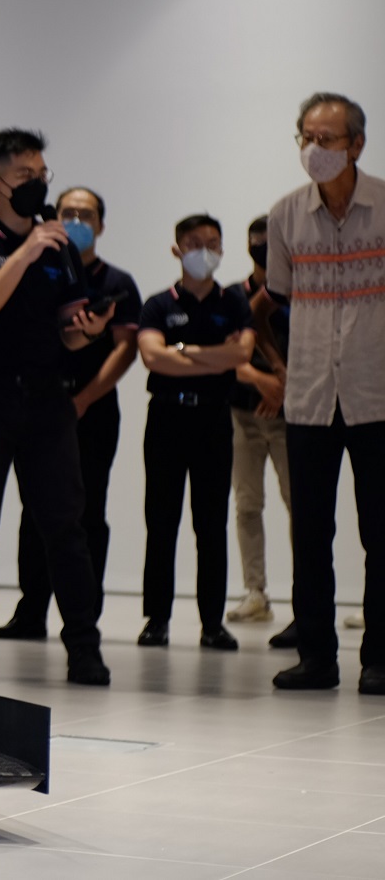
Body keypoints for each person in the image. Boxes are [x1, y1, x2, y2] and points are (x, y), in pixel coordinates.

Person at [0, 129, 115, 685]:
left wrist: (87, 332)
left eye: (42, 175)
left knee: (66, 527)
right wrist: (23, 254)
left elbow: (67, 330)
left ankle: (84, 646)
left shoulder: (59, 245)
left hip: (46, 399)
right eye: (25, 177)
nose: (37, 184)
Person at [256, 92, 384, 694]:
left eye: (327, 139)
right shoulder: (284, 216)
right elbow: (277, 300)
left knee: (380, 532)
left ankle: (380, 658)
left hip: (377, 394)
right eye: (306, 137)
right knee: (310, 532)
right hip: (309, 397)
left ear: (357, 144)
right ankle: (316, 656)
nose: (314, 149)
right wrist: (284, 370)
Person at [0, 187, 140, 639]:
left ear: (100, 223)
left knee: (86, 511)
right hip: (40, 407)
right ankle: (30, 610)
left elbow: (124, 350)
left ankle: (83, 617)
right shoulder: (39, 267)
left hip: (92, 411)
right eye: (68, 211)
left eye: (86, 213)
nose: (76, 218)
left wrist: (85, 398)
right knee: (33, 511)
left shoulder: (117, 282)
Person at [133, 214, 254, 650]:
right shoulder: (157, 304)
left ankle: (212, 623)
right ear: (177, 248)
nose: (206, 250)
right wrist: (213, 356)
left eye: (214, 242)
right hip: (166, 418)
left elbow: (241, 354)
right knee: (161, 520)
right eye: (195, 242)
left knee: (211, 523)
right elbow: (153, 358)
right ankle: (156, 619)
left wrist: (183, 349)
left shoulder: (234, 301)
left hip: (213, 420)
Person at [227, 215, 291, 626]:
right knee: (247, 504)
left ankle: (308, 594)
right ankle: (256, 592)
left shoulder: (297, 292)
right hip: (243, 413)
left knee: (300, 506)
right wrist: (260, 380)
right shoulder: (233, 296)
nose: (262, 246)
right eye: (257, 240)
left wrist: (281, 387)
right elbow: (226, 353)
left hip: (291, 415)